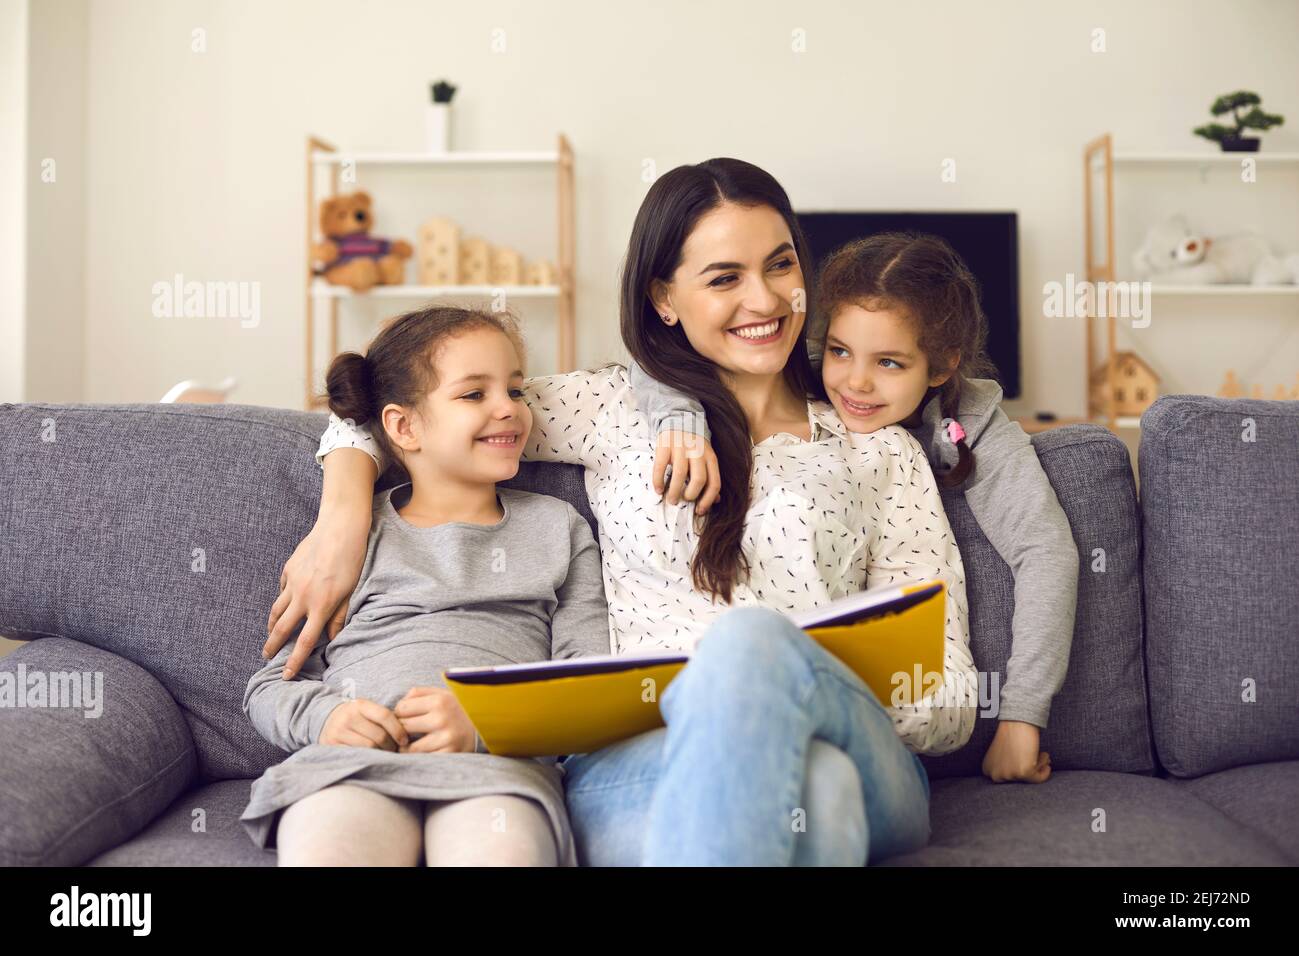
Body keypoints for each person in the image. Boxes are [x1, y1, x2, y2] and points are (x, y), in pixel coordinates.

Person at [269, 158, 977, 865]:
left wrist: (788, 685)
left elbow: (948, 693)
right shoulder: (610, 409)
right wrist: (343, 519)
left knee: (752, 649)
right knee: (818, 794)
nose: (764, 299)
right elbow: (406, 403)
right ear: (664, 298)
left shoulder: (880, 449)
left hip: (856, 743)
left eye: (780, 265)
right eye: (724, 278)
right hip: (644, 763)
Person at [631, 231, 1078, 785]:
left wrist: (1021, 718)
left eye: (889, 362)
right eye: (840, 351)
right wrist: (678, 415)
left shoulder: (972, 418)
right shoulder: (799, 379)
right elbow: (656, 357)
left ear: (941, 367)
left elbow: (1046, 551)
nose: (857, 382)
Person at [243, 306, 609, 866]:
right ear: (403, 427)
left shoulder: (560, 528)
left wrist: (487, 722)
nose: (509, 408)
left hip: (492, 770)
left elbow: (589, 685)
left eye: (515, 390)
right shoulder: (350, 541)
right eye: (474, 394)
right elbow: (270, 686)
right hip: (350, 768)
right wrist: (327, 718)